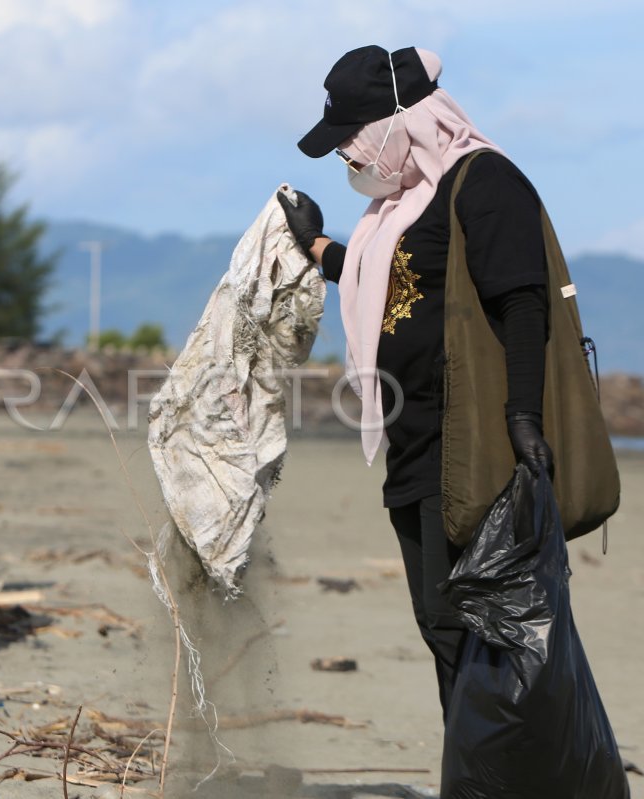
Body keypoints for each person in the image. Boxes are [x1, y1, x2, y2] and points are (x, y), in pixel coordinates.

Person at [278, 46, 553, 721]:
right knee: (440, 622)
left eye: (349, 137)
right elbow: (387, 282)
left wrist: (523, 417)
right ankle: (473, 770)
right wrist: (315, 246)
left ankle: (495, 773)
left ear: (396, 123)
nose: (346, 154)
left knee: (463, 621)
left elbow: (524, 299)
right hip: (410, 444)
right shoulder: (399, 207)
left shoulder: (483, 183)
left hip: (468, 444)